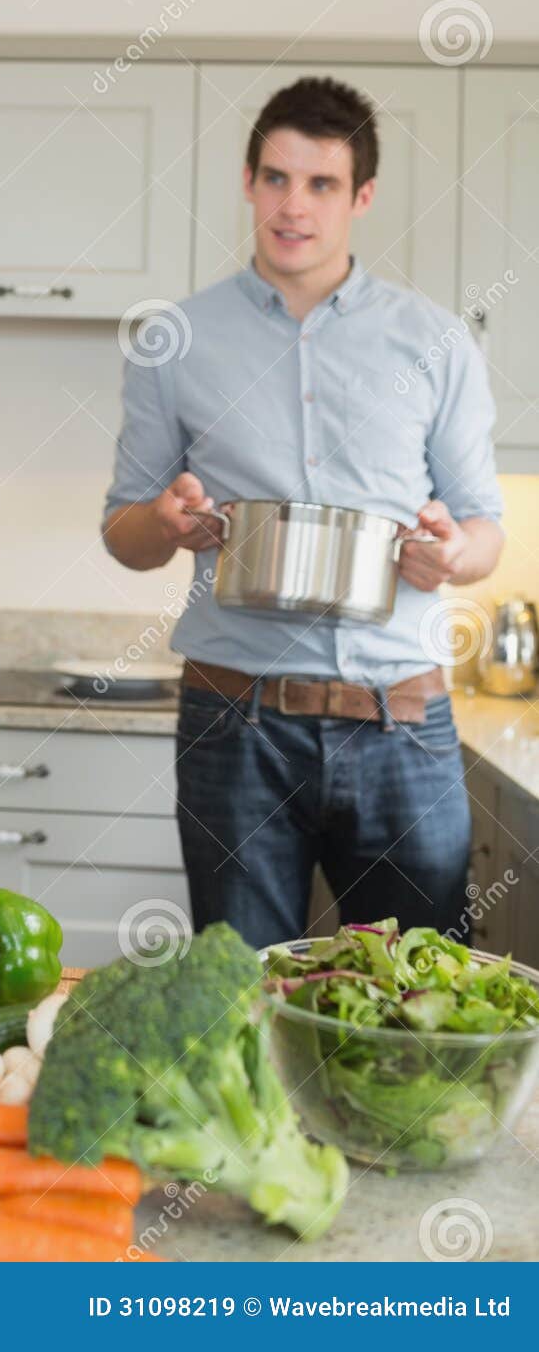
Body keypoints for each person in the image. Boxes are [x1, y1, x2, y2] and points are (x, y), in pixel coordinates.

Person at [102, 75, 503, 950]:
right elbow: (122, 533)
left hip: (400, 724)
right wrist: (165, 524)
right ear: (247, 181)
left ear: (360, 196)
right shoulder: (175, 339)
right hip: (233, 725)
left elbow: (481, 529)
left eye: (320, 184)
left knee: (411, 998)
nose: (294, 206)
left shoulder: (436, 342)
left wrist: (449, 553)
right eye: (276, 178)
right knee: (239, 999)